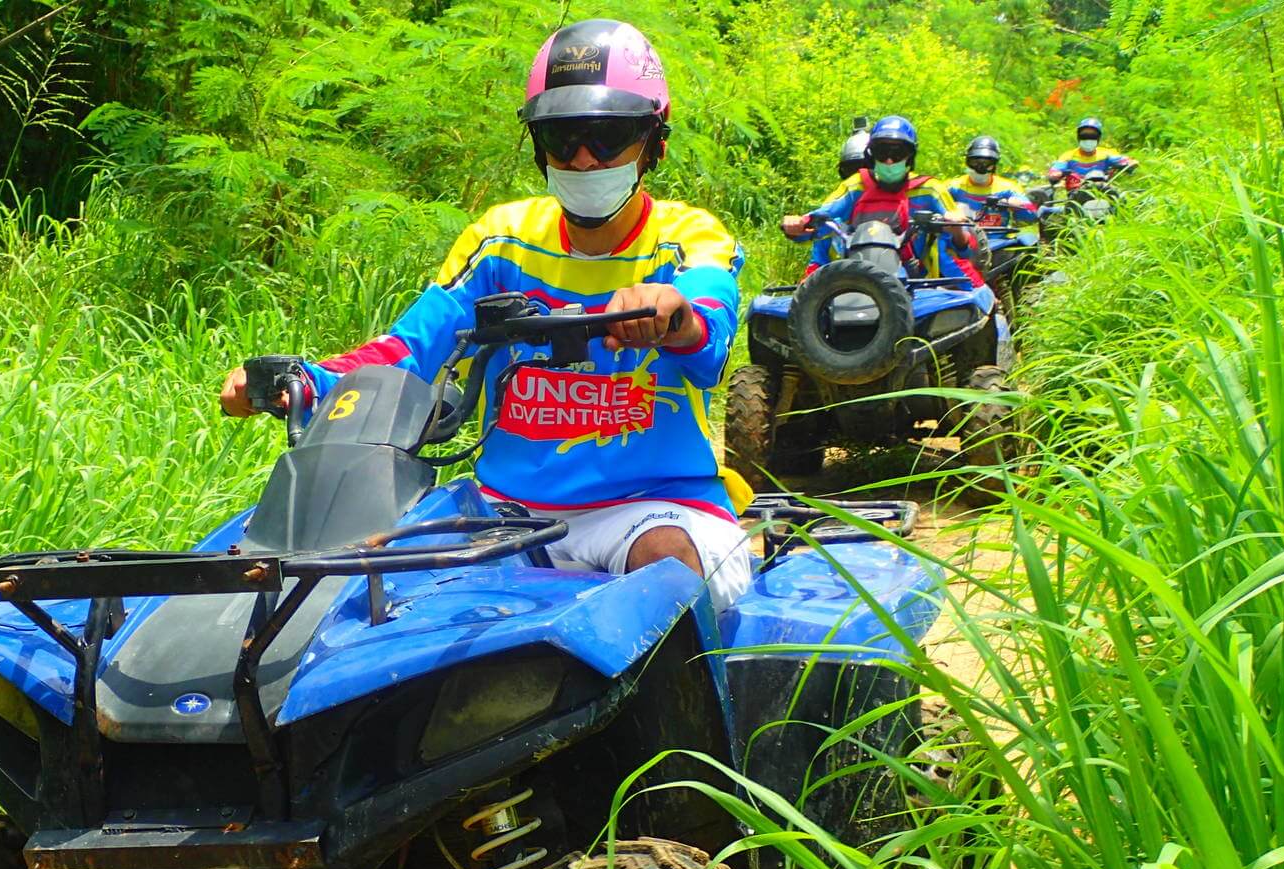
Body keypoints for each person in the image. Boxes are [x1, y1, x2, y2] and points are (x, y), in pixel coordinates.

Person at [218, 19, 755, 608]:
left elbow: (709, 328)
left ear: (655, 142)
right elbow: (410, 351)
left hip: (652, 505)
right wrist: (305, 381)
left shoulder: (688, 239)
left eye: (608, 136)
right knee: (358, 604)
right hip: (504, 514)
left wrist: (672, 315)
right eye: (561, 137)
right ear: (536, 146)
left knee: (667, 571)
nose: (581, 159)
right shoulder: (500, 240)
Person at [779, 114, 981, 284]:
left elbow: (965, 250)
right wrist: (797, 224)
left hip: (918, 284)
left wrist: (956, 228)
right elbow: (819, 219)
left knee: (975, 306)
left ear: (910, 156)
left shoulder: (930, 189)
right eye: (882, 152)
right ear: (871, 154)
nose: (889, 160)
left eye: (897, 152)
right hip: (854, 279)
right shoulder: (854, 186)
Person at [948, 135, 1041, 225]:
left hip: (999, 239)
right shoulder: (952, 187)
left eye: (986, 163)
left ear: (994, 164)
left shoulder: (1009, 188)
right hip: (960, 238)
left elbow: (1032, 215)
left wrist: (1018, 206)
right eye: (975, 162)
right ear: (967, 162)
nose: (980, 167)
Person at [1047, 116, 1137, 189]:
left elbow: (1126, 161)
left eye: (1092, 136)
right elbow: (1055, 170)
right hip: (1076, 194)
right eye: (1084, 136)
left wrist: (1130, 163)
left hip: (1103, 191)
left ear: (1098, 138)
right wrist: (1056, 174)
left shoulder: (1107, 154)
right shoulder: (1068, 156)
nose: (1088, 139)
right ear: (1078, 137)